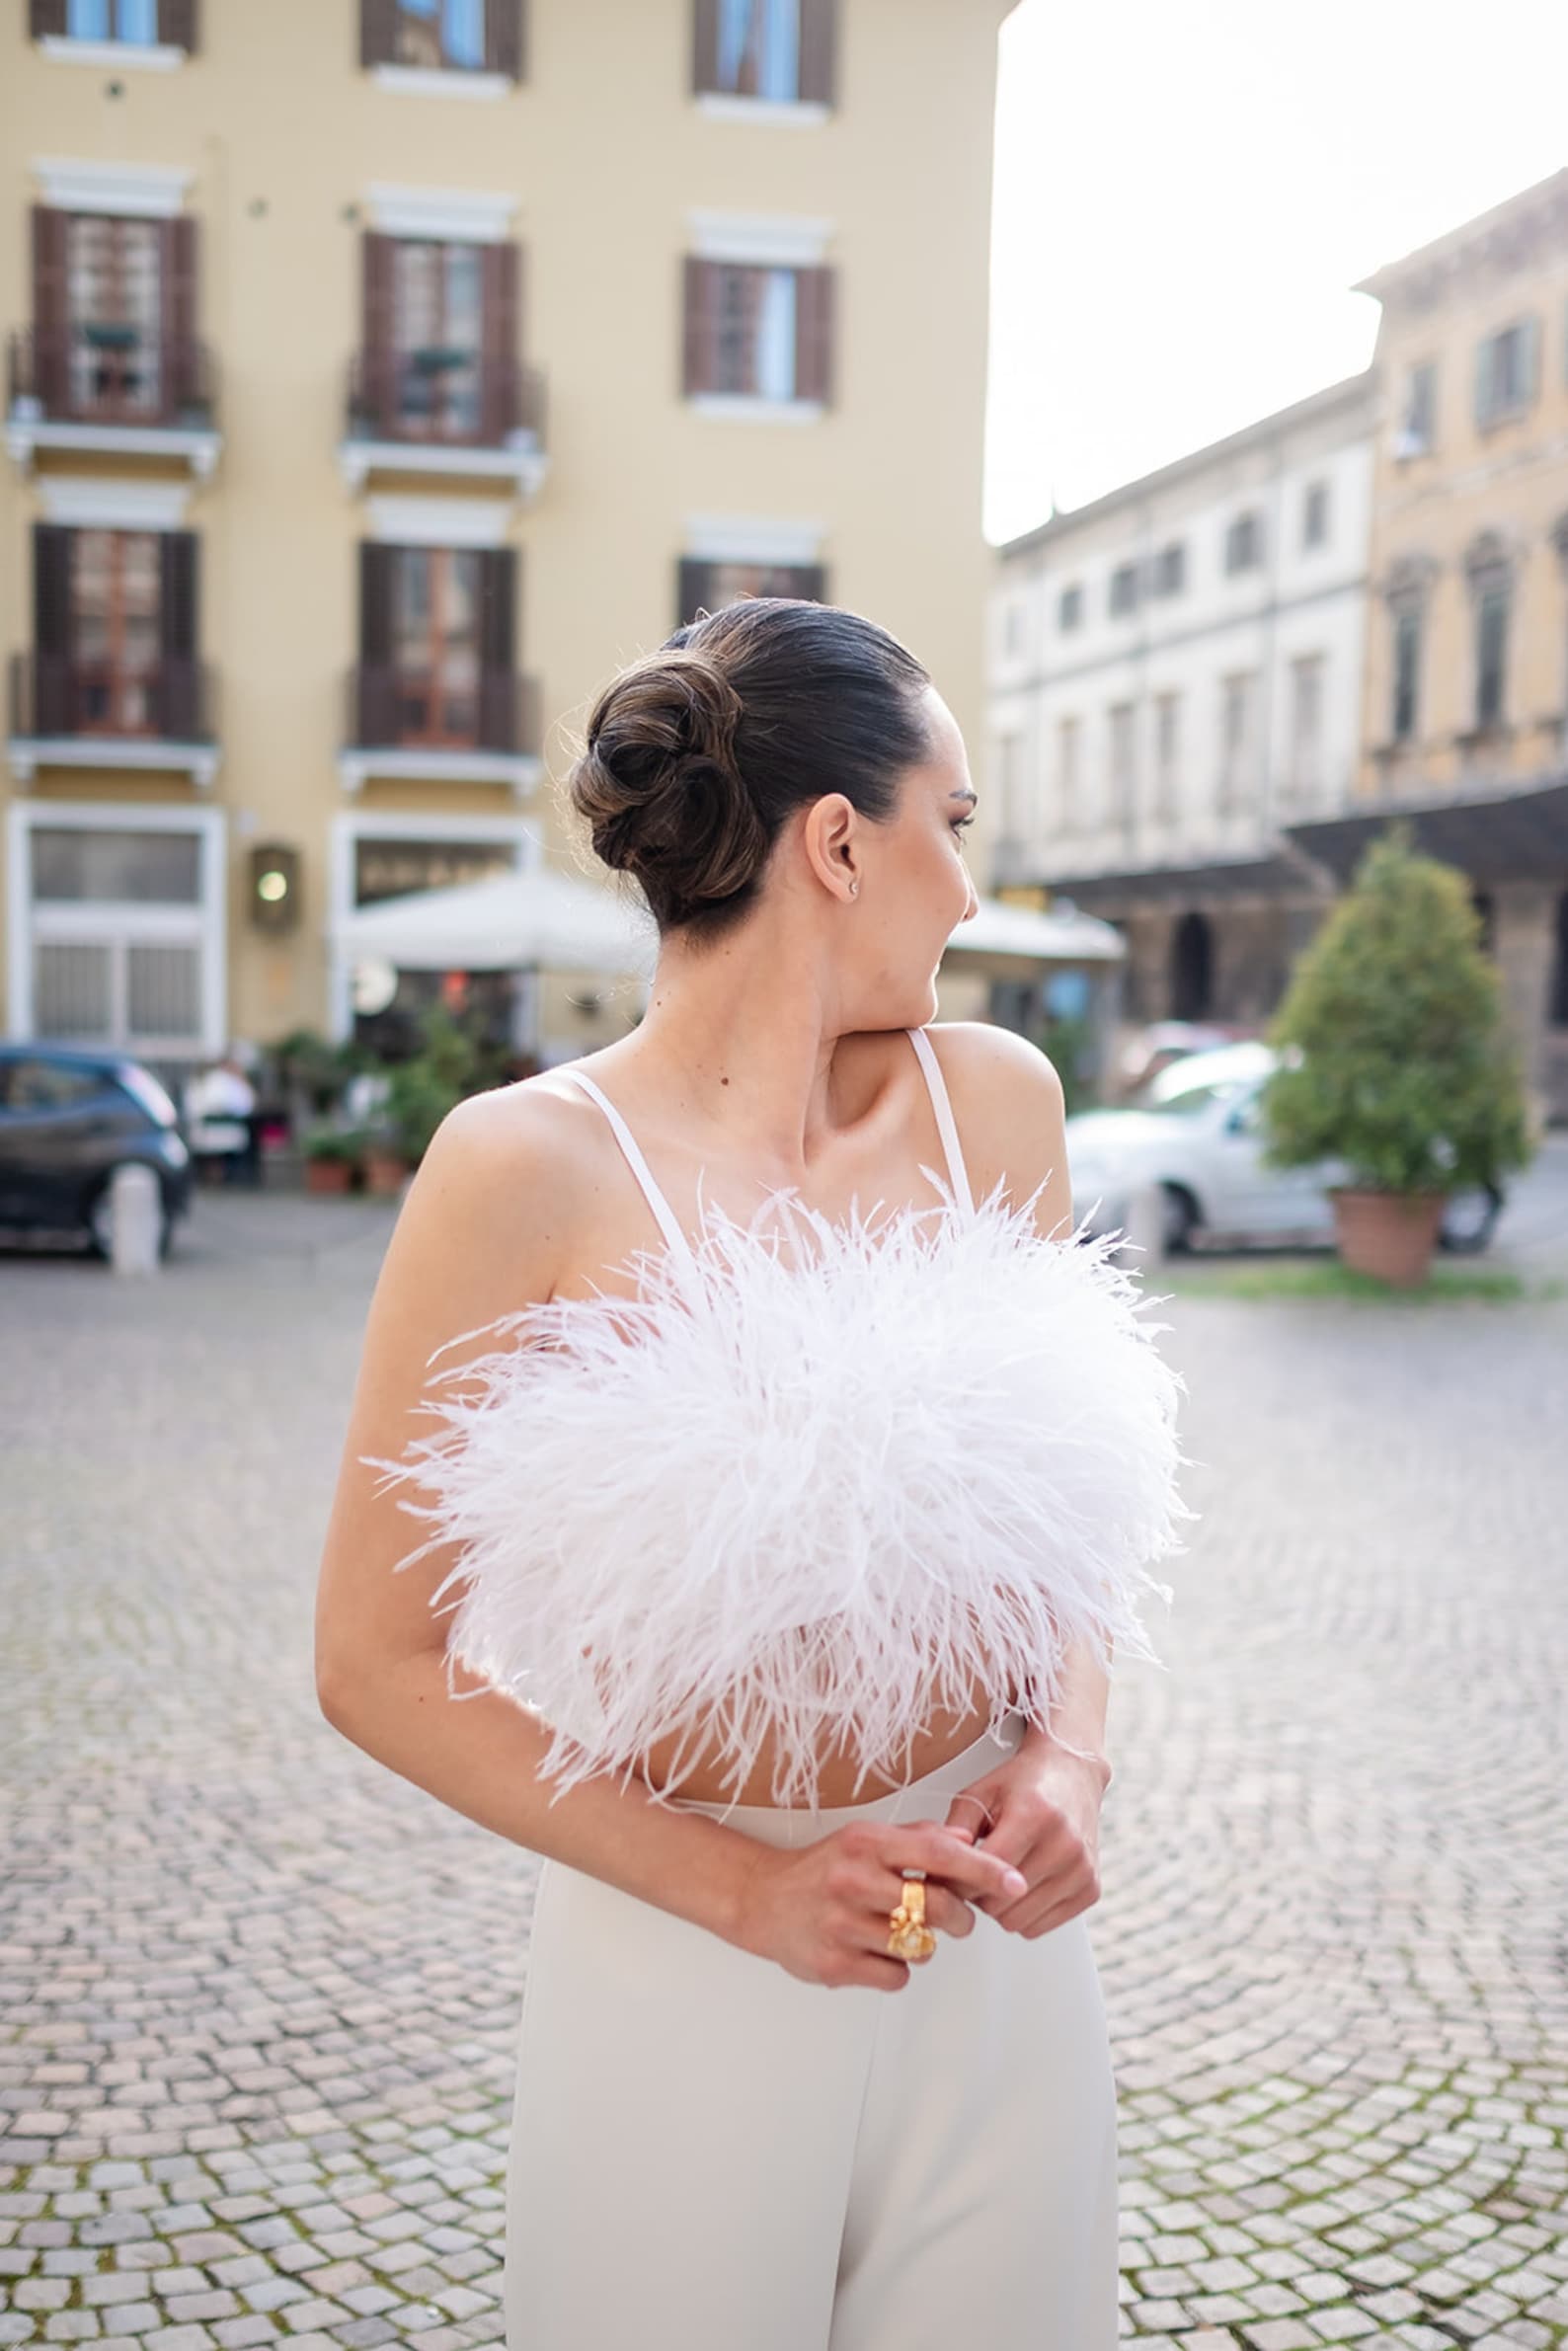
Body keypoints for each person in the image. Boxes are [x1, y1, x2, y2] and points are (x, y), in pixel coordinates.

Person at [313, 598, 1192, 2349]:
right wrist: (747, 1891)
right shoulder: (521, 1167)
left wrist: (1072, 1747)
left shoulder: (991, 1103)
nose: (965, 880)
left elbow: (1064, 1516)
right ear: (842, 843)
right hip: (686, 1964)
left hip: (995, 1961)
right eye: (954, 823)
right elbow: (373, 1664)